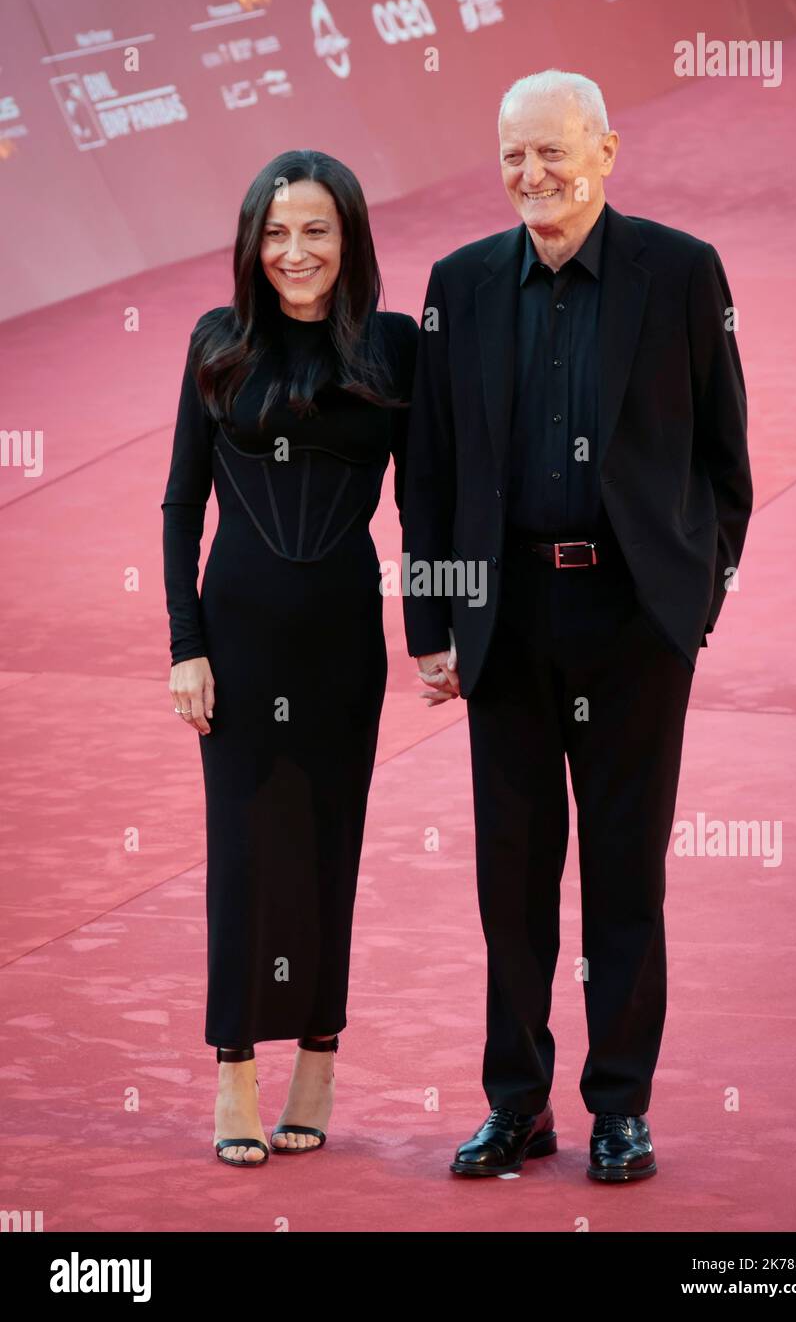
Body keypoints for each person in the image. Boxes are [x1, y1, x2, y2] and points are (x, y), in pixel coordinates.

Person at [401, 70, 752, 1182]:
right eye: (511, 155)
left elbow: (723, 458)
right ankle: (517, 1104)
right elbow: (430, 469)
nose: (531, 176)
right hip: (504, 618)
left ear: (604, 149)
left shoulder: (680, 271)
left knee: (622, 873)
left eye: (552, 152)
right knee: (509, 877)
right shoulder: (457, 284)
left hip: (630, 618)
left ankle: (619, 1107)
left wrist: (691, 599)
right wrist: (431, 620)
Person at [161, 150, 417, 1166]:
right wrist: (184, 647)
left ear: (346, 237)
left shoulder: (394, 348)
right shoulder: (217, 342)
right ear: (250, 245)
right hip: (239, 640)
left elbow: (424, 501)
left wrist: (433, 634)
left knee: (326, 844)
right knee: (242, 849)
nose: (293, 251)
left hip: (345, 641)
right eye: (274, 232)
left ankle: (317, 1056)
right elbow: (183, 503)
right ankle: (234, 1066)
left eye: (313, 230)